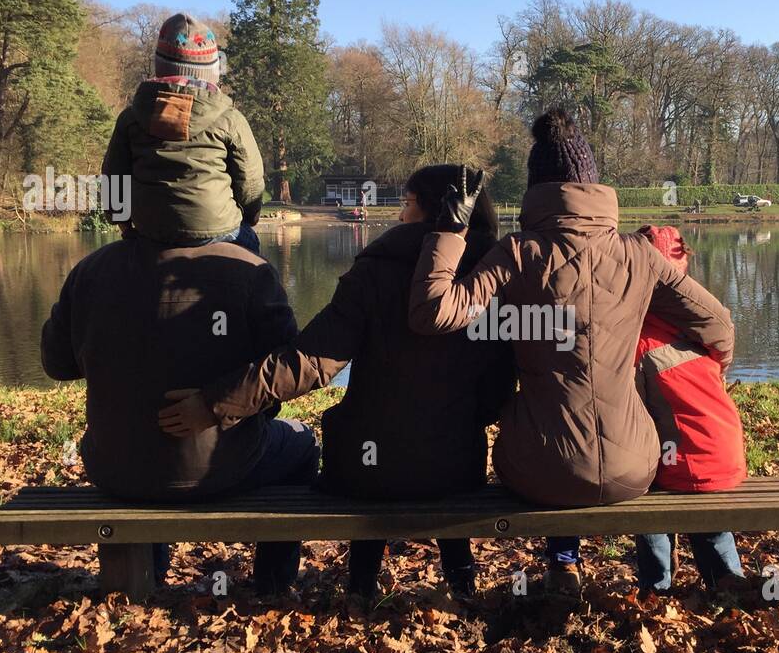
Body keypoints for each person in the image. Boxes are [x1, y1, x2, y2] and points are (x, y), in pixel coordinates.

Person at [407, 109, 735, 600]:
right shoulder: (640, 255)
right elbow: (718, 326)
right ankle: (697, 580)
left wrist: (451, 230)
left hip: (540, 469)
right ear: (596, 188)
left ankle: (563, 563)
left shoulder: (518, 252)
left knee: (539, 422)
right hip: (635, 467)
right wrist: (709, 368)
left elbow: (433, 313)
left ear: (537, 188)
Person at [157, 164, 515, 614]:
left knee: (374, 443)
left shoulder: (376, 272)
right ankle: (463, 588)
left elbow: (309, 362)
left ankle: (361, 588)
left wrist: (215, 403)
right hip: (457, 469)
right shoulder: (491, 283)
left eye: (406, 203)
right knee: (434, 451)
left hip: (367, 469)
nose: (399, 215)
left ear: (430, 212)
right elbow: (496, 392)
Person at [41, 232, 315, 594]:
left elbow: (57, 364)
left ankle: (150, 574)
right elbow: (285, 366)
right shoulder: (250, 269)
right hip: (223, 468)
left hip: (114, 468)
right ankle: (274, 582)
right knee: (303, 443)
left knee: (148, 447)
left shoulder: (92, 268)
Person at [631, 225, 748, 595]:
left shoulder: (637, 336)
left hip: (686, 463)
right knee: (713, 530)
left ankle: (657, 588)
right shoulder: (705, 326)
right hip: (726, 454)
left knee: (645, 500)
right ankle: (728, 584)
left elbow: (632, 413)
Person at [102, 12, 264, 254]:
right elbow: (250, 181)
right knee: (254, 254)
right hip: (218, 230)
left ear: (161, 67)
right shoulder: (230, 119)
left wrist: (123, 223)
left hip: (150, 230)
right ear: (212, 71)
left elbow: (113, 176)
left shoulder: (131, 118)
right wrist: (250, 216)